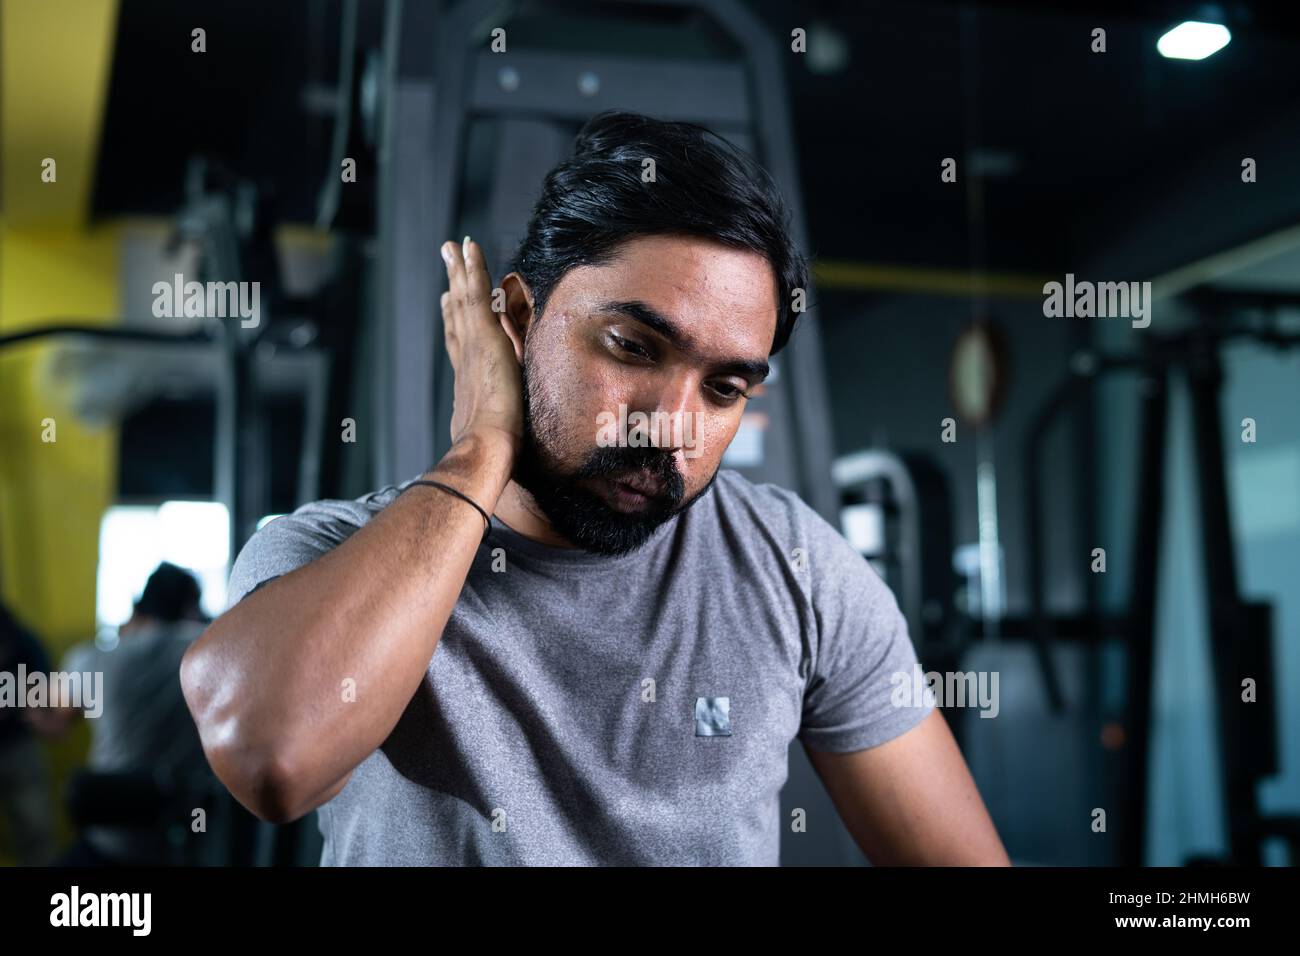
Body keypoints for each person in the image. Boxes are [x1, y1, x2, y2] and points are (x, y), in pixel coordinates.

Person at [181, 110, 1010, 866]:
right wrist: (480, 450)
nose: (669, 424)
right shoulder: (328, 553)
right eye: (632, 347)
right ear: (515, 319)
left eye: (723, 388)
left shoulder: (796, 571)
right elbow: (270, 761)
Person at [42, 562, 212, 865]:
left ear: (138, 609)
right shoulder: (211, 655)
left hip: (111, 839)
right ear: (191, 610)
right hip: (190, 840)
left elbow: (55, 722)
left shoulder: (92, 660)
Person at [0, 603, 58, 865]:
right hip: (21, 743)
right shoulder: (21, 636)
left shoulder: (20, 638)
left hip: (20, 745)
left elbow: (47, 690)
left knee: (36, 833)